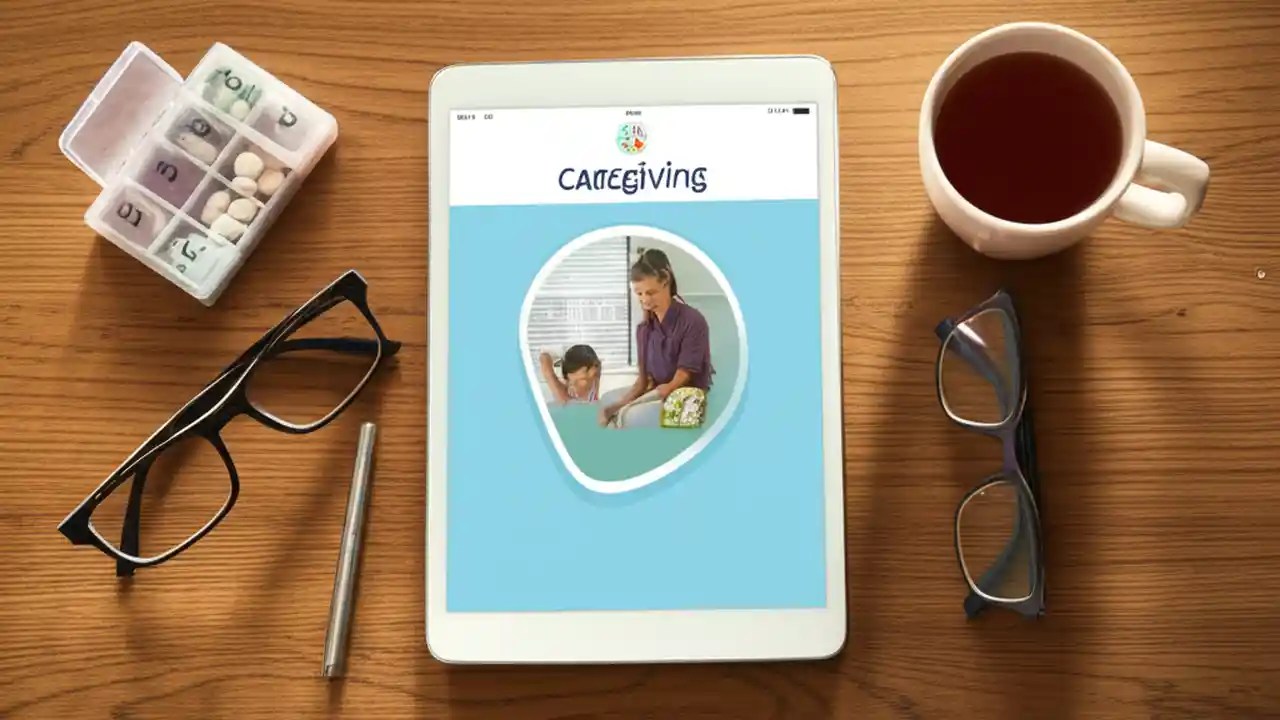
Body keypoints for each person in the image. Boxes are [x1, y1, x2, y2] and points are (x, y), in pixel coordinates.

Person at [599, 248, 713, 427]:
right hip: (659, 393)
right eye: (639, 293)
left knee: (629, 417)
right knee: (608, 403)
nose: (644, 299)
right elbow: (642, 382)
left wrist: (636, 403)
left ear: (665, 281)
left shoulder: (693, 321)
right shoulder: (644, 330)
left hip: (689, 401)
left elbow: (682, 376)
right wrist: (616, 406)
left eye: (650, 292)